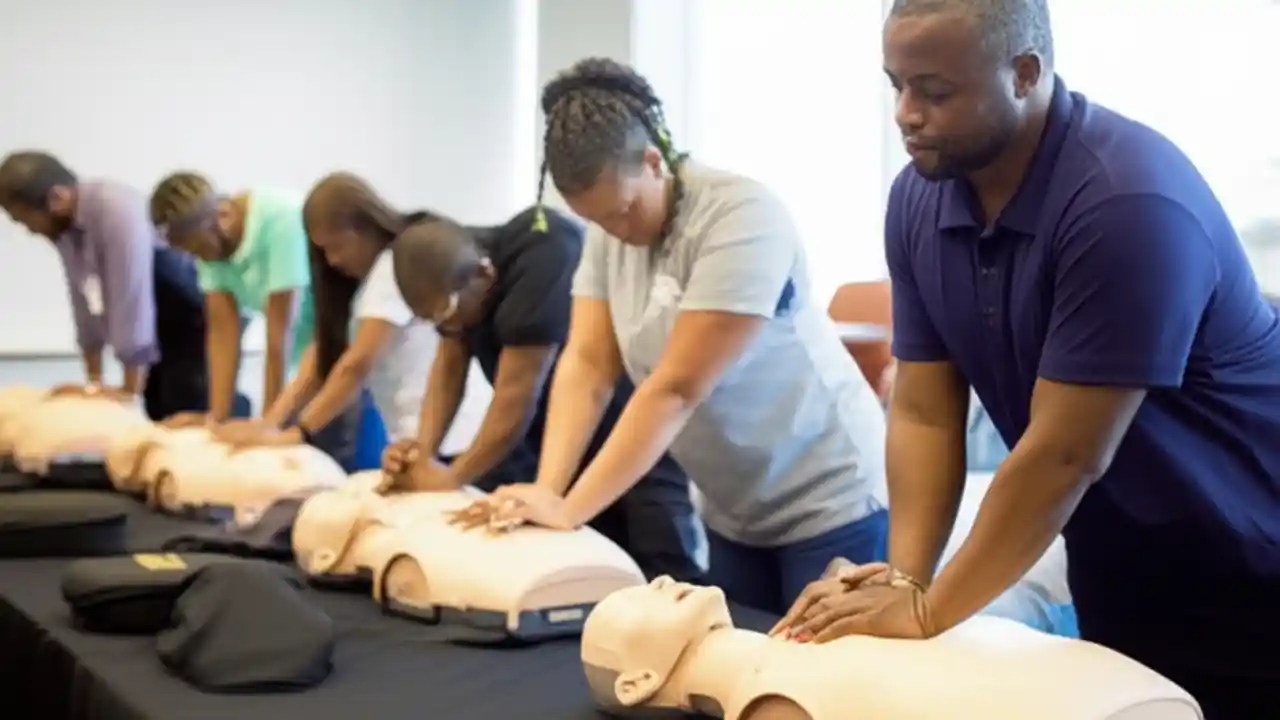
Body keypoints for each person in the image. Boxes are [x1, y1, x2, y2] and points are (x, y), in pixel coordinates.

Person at [778, 2, 1280, 718]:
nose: (905, 113)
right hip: (1116, 558)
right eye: (896, 85)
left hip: (1253, 559)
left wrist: (927, 614)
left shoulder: (1126, 201)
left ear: (1023, 73)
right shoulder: (919, 198)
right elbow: (923, 410)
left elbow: (1062, 456)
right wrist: (905, 580)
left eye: (935, 90)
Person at [452, 58, 889, 614]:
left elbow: (676, 387)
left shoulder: (741, 217)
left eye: (625, 210)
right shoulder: (612, 233)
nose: (617, 232)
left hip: (832, 499)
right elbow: (587, 364)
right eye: (600, 222)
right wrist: (548, 489)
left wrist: (570, 510)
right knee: (737, 676)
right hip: (734, 511)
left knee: (825, 690)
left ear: (654, 161)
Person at [384, 209, 704, 583]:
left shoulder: (543, 254)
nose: (446, 326)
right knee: (571, 569)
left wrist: (451, 476)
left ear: (485, 276)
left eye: (447, 312)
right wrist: (423, 455)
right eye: (432, 320)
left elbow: (515, 396)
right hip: (553, 444)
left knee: (661, 573)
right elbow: (449, 363)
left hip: (631, 436)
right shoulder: (453, 271)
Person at [213, 172, 489, 465]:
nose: (332, 260)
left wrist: (299, 432)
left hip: (456, 436)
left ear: (364, 228)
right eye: (323, 251)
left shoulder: (394, 267)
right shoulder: (362, 285)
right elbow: (320, 355)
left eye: (335, 246)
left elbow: (357, 363)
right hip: (419, 437)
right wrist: (270, 423)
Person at [0, 151, 224, 419]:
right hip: (152, 324)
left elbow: (131, 298)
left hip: (191, 315)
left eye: (22, 219)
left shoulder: (116, 209)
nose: (28, 229)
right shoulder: (64, 229)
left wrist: (127, 394)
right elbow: (83, 301)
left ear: (57, 197)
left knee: (181, 409)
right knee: (155, 411)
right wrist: (94, 385)